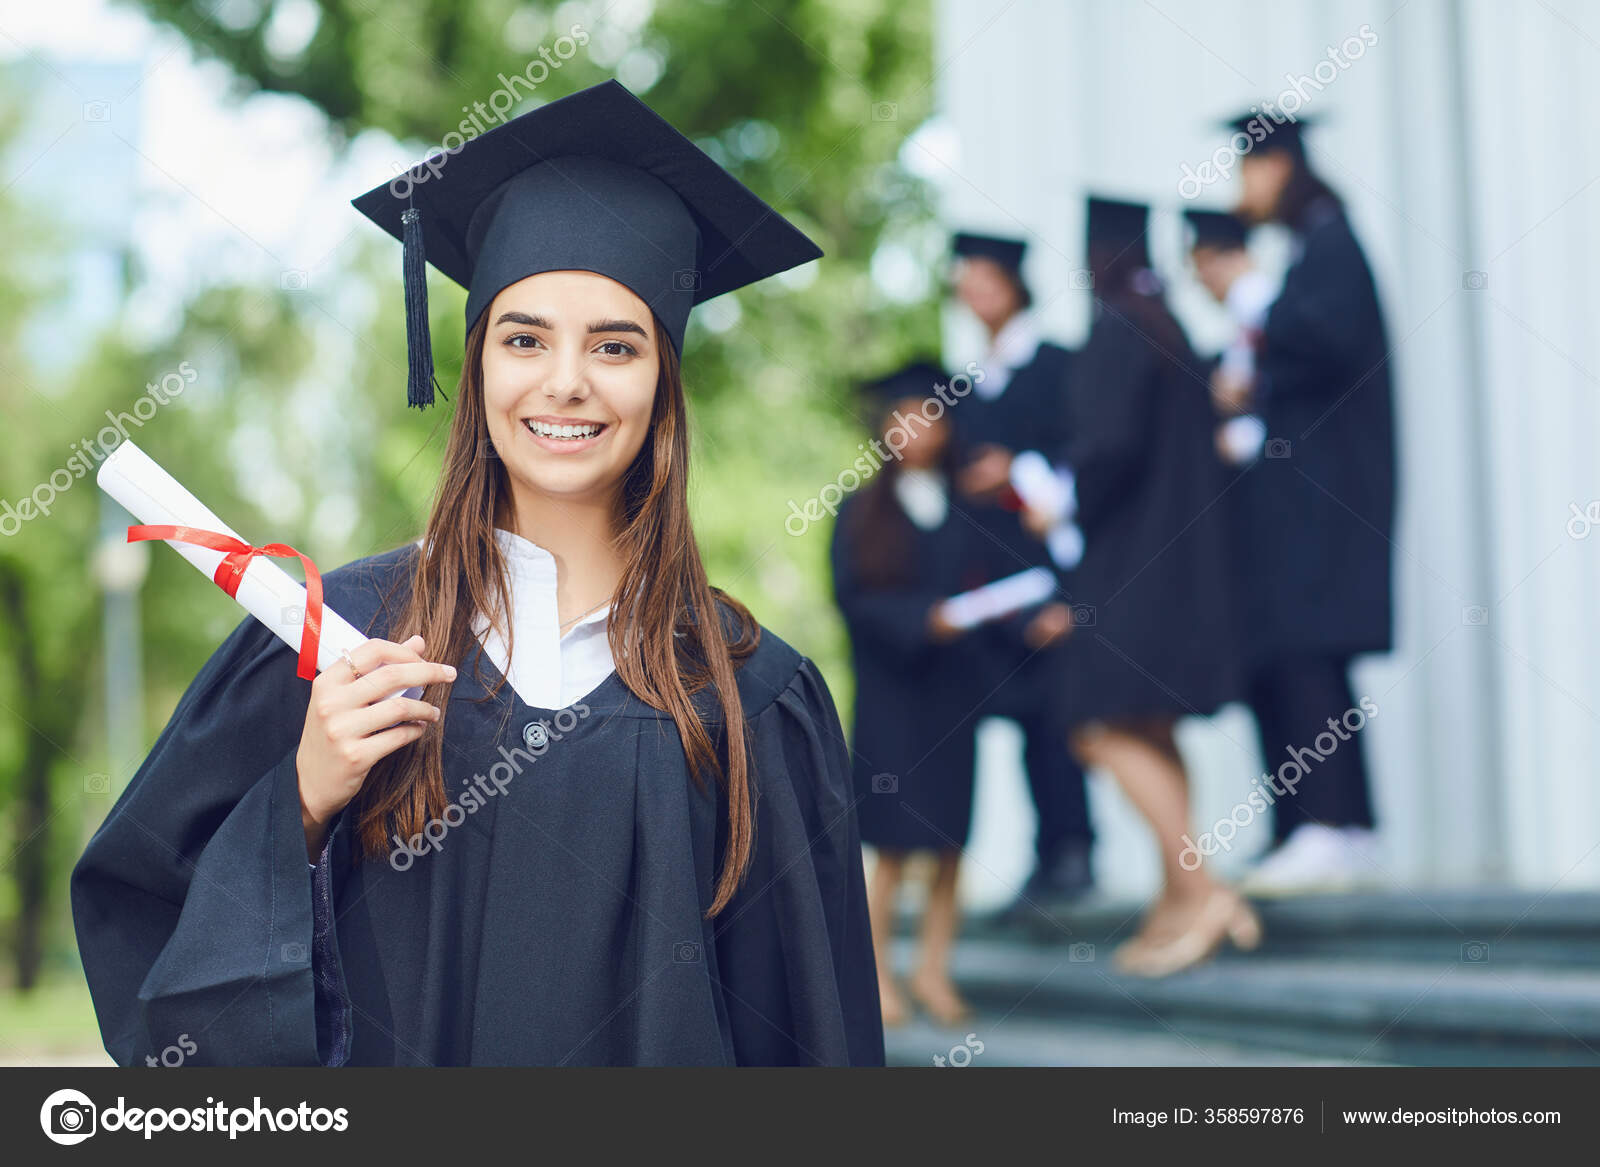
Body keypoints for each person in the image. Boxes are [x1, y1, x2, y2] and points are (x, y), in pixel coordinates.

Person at [70, 80, 884, 1067]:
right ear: (478, 366)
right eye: (524, 337)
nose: (566, 380)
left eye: (615, 345)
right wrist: (303, 800)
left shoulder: (754, 697)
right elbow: (150, 937)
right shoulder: (337, 643)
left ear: (663, 380)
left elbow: (810, 1037)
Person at [1028, 196, 1256, 977]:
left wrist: (1060, 501)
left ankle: (1202, 888)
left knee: (1099, 725)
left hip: (1130, 569)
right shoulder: (1172, 335)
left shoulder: (1115, 331)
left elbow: (1107, 451)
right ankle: (1176, 895)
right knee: (1152, 725)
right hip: (1186, 570)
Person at [1223, 111, 1396, 895]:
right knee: (1306, 648)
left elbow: (1320, 345)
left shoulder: (1330, 245)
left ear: (1281, 165)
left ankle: (1329, 825)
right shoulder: (1315, 245)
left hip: (1327, 500)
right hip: (1311, 495)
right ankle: (1334, 825)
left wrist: (1256, 311)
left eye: (1248, 169)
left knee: (1305, 645)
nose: (1240, 189)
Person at [830, 362, 999, 1028]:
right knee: (893, 845)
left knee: (950, 840)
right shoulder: (860, 507)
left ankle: (933, 968)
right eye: (901, 417)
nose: (914, 429)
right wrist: (921, 620)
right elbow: (851, 599)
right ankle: (876, 978)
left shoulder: (971, 504)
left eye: (927, 415)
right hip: (891, 695)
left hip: (954, 695)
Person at [947, 230, 1096, 919]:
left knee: (1063, 715)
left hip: (1058, 570)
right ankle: (1050, 851)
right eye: (964, 281)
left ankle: (1073, 850)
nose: (973, 292)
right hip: (998, 579)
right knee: (1026, 721)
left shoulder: (1061, 365)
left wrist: (1020, 471)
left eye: (984, 278)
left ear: (1013, 283)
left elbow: (1089, 460)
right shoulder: (971, 381)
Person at [1182, 207, 1274, 468]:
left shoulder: (1257, 304)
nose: (1200, 278)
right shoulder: (1247, 308)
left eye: (1202, 263)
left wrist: (1246, 435)